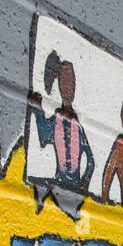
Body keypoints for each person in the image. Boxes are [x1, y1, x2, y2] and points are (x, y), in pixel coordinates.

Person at [30, 53, 93, 190]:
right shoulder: (57, 121)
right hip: (60, 181)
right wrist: (38, 109)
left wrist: (85, 180)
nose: (67, 87)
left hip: (75, 183)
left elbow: (90, 160)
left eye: (70, 82)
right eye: (63, 82)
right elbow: (44, 135)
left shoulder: (78, 126)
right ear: (58, 84)